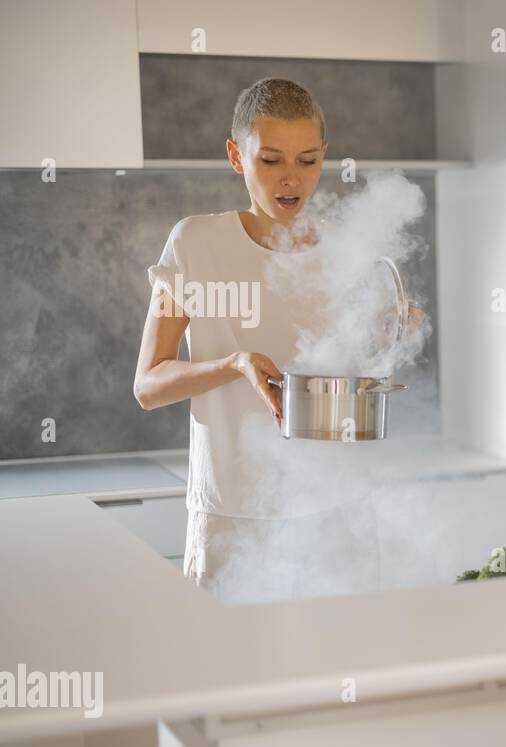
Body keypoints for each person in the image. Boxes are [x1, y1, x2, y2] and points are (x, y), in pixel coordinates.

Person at [133, 78, 420, 601]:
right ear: (236, 156)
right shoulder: (195, 242)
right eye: (270, 161)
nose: (291, 179)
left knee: (340, 670)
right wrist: (235, 363)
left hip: (337, 512)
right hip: (233, 514)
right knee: (230, 669)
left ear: (325, 156)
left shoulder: (347, 249)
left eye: (308, 160)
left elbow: (351, 369)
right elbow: (149, 384)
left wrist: (389, 332)